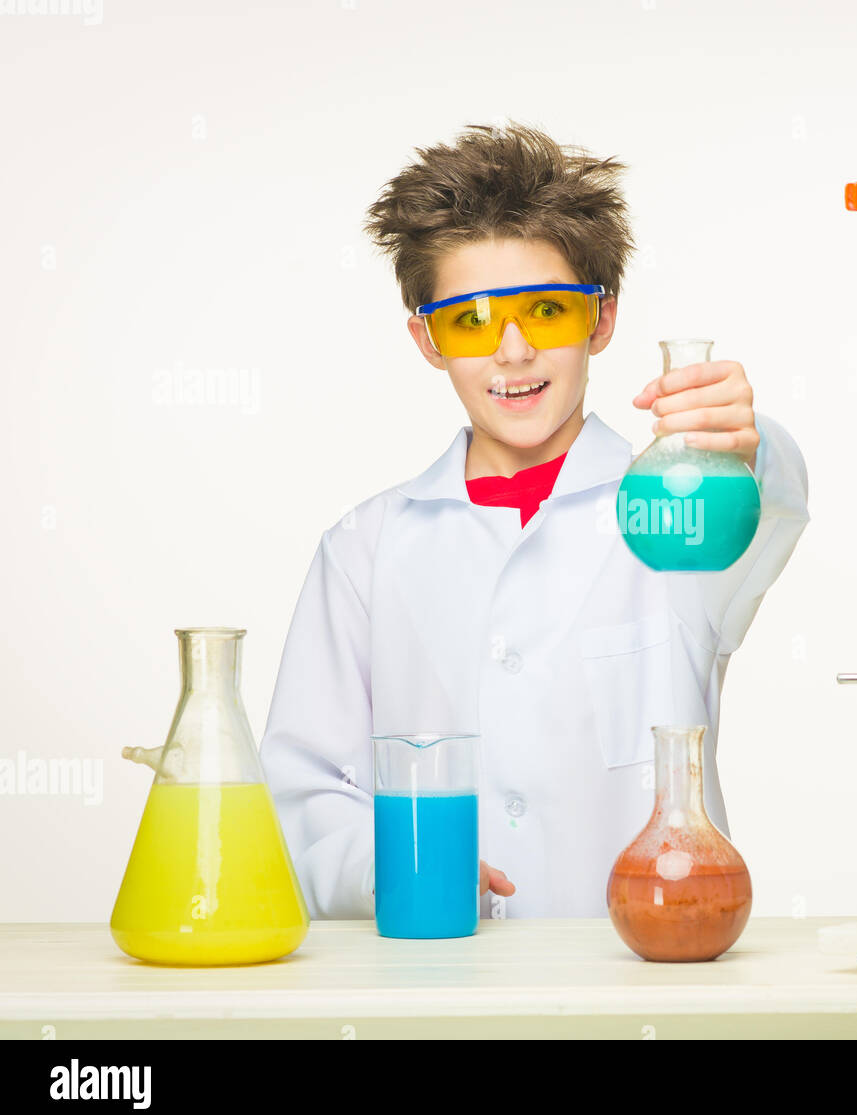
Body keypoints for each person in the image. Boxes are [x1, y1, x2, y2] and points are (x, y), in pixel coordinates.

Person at [261, 121, 810, 920]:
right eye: (471, 320)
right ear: (426, 339)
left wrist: (742, 443)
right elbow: (306, 788)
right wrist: (395, 867)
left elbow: (772, 505)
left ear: (602, 319)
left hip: (647, 982)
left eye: (547, 311)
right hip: (435, 978)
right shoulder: (366, 548)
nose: (513, 351)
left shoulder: (673, 516)